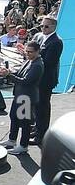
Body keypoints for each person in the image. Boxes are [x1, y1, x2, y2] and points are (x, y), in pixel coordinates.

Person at [0, 38, 44, 155]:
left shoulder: (37, 65)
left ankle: (23, 145)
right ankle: (12, 140)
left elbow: (25, 81)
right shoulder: (30, 61)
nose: (28, 54)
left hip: (27, 97)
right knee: (14, 117)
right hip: (20, 95)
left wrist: (9, 75)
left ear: (37, 51)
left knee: (25, 123)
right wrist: (8, 72)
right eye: (27, 51)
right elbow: (19, 74)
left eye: (30, 52)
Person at [32, 14, 63, 146]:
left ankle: (42, 134)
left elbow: (49, 62)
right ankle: (37, 127)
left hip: (46, 80)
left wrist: (33, 56)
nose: (43, 28)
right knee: (36, 106)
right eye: (41, 25)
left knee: (43, 107)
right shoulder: (39, 37)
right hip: (36, 78)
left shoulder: (56, 42)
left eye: (46, 26)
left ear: (53, 27)